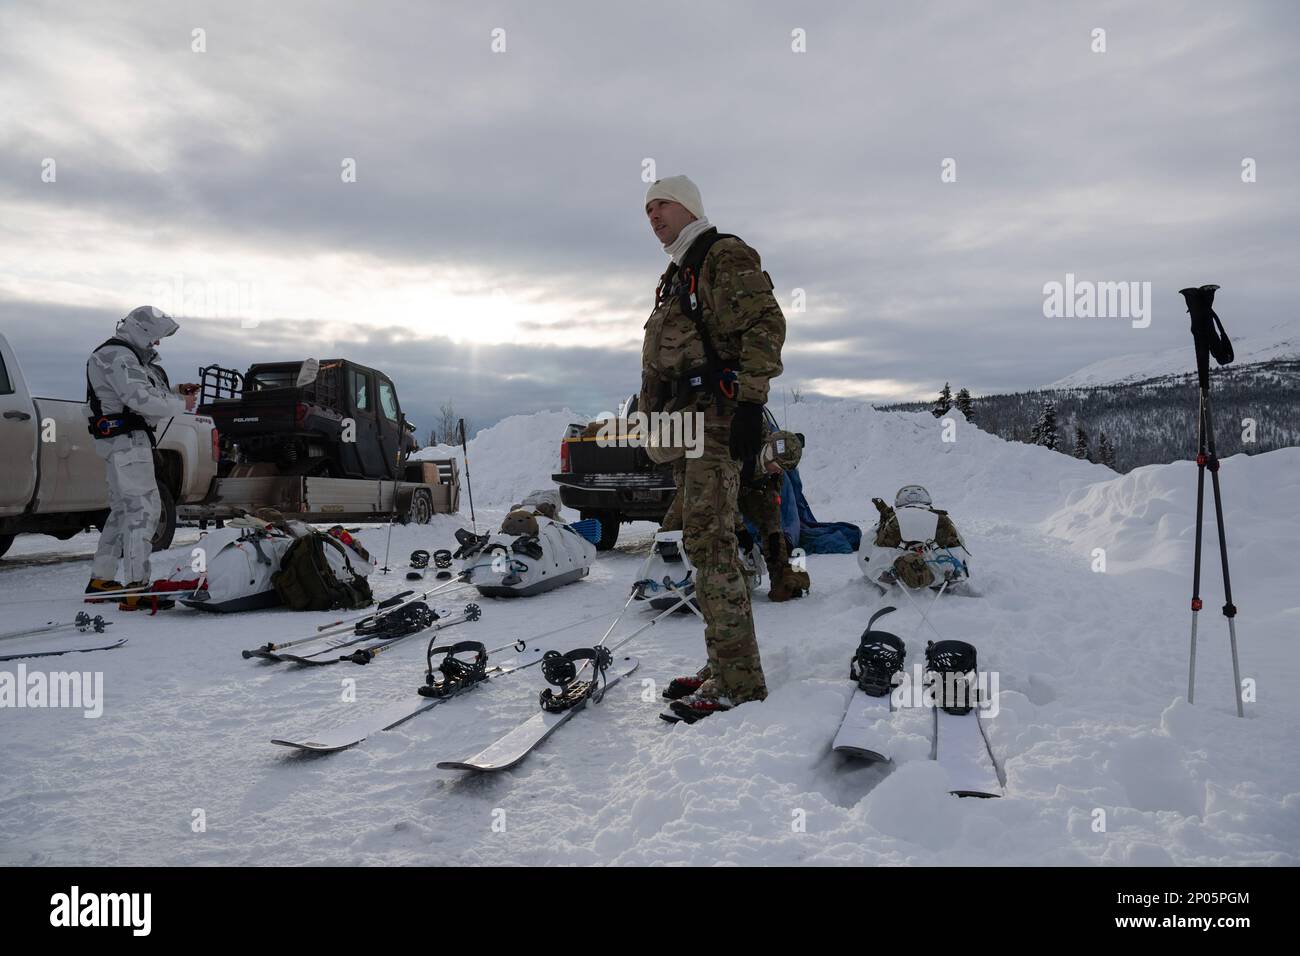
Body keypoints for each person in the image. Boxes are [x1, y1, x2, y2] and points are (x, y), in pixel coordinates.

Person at [639, 175, 786, 722]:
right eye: (648, 209)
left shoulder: (723, 254)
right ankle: (722, 663)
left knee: (711, 544)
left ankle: (737, 684)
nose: (654, 216)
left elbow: (766, 323)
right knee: (706, 543)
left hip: (715, 419)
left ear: (689, 207)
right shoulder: (680, 272)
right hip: (685, 424)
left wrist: (750, 403)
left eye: (662, 205)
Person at [84, 306, 197, 608]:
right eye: (155, 337)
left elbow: (139, 389)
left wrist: (175, 391)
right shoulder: (119, 356)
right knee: (143, 512)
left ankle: (101, 581)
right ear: (141, 331)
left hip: (119, 442)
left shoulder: (122, 356)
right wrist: (181, 404)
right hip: (128, 442)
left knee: (123, 512)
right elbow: (139, 399)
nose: (157, 343)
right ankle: (137, 588)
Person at [738, 428, 810, 602]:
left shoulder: (774, 474)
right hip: (719, 492)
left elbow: (771, 504)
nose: (778, 472)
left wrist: (774, 535)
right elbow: (722, 501)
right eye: (778, 467)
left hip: (751, 490)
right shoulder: (739, 455)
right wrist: (739, 530)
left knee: (774, 536)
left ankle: (781, 580)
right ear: (769, 455)